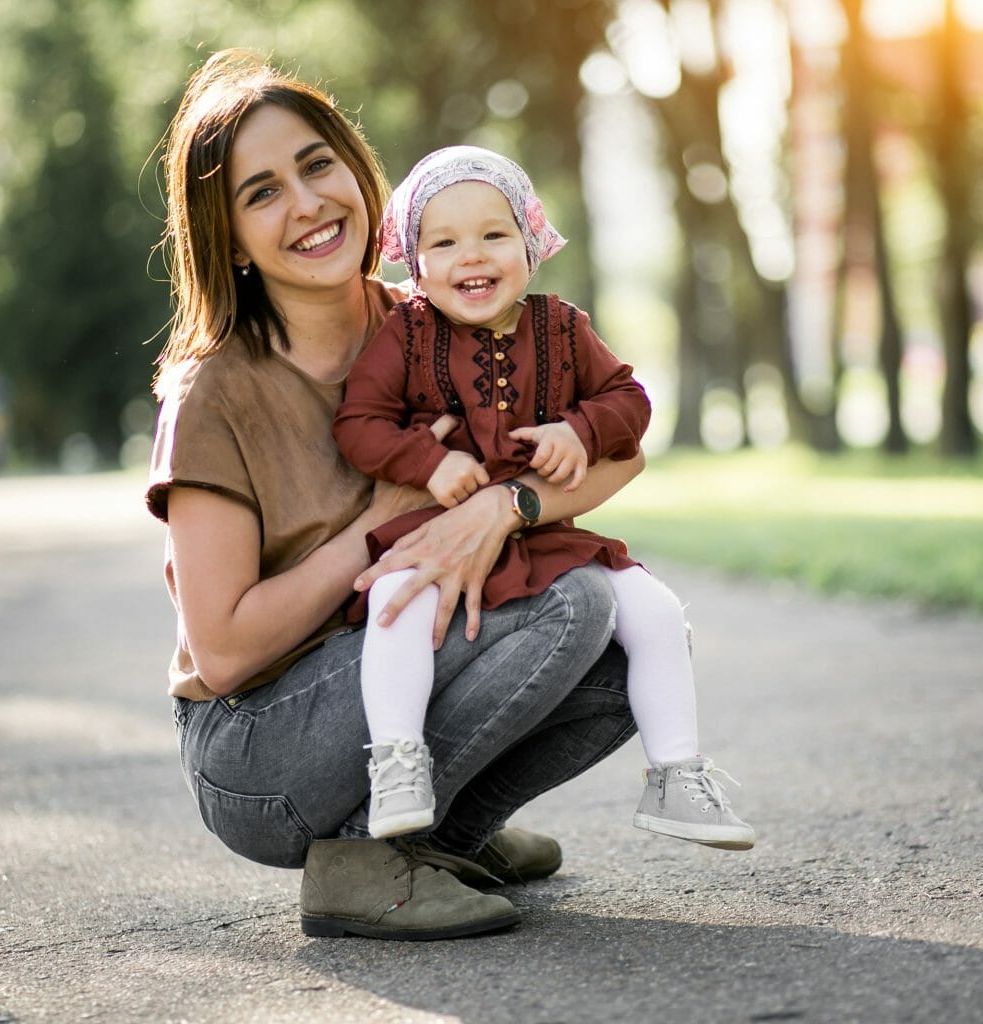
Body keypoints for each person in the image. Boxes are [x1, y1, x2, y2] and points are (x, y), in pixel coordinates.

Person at [146, 50, 645, 942]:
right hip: (261, 741)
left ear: (357, 170)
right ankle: (358, 862)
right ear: (225, 238)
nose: (305, 204)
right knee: (572, 606)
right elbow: (221, 653)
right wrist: (378, 530)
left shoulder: (431, 318)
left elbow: (622, 459)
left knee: (630, 658)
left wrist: (506, 507)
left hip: (397, 662)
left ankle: (439, 837)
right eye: (260, 193)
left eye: (316, 165)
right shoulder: (213, 396)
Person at [332, 146, 756, 851]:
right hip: (438, 533)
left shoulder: (560, 327)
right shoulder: (405, 335)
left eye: (494, 234)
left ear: (530, 243)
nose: (473, 255)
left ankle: (678, 773)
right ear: (416, 263)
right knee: (393, 599)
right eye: (444, 242)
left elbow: (631, 401)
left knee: (652, 609)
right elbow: (359, 422)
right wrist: (428, 462)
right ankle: (399, 763)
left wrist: (580, 429)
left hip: (541, 539)